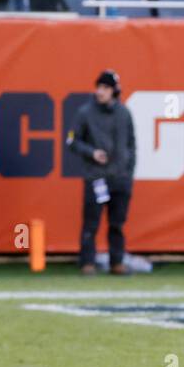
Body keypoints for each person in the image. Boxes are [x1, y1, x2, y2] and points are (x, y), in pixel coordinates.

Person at [67, 71, 136, 276]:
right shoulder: (85, 113)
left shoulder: (124, 113)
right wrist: (92, 153)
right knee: (91, 222)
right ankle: (87, 262)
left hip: (120, 178)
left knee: (117, 223)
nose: (100, 92)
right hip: (96, 176)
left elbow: (132, 145)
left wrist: (128, 172)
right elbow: (72, 140)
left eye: (105, 88)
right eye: (98, 87)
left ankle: (117, 262)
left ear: (114, 91)